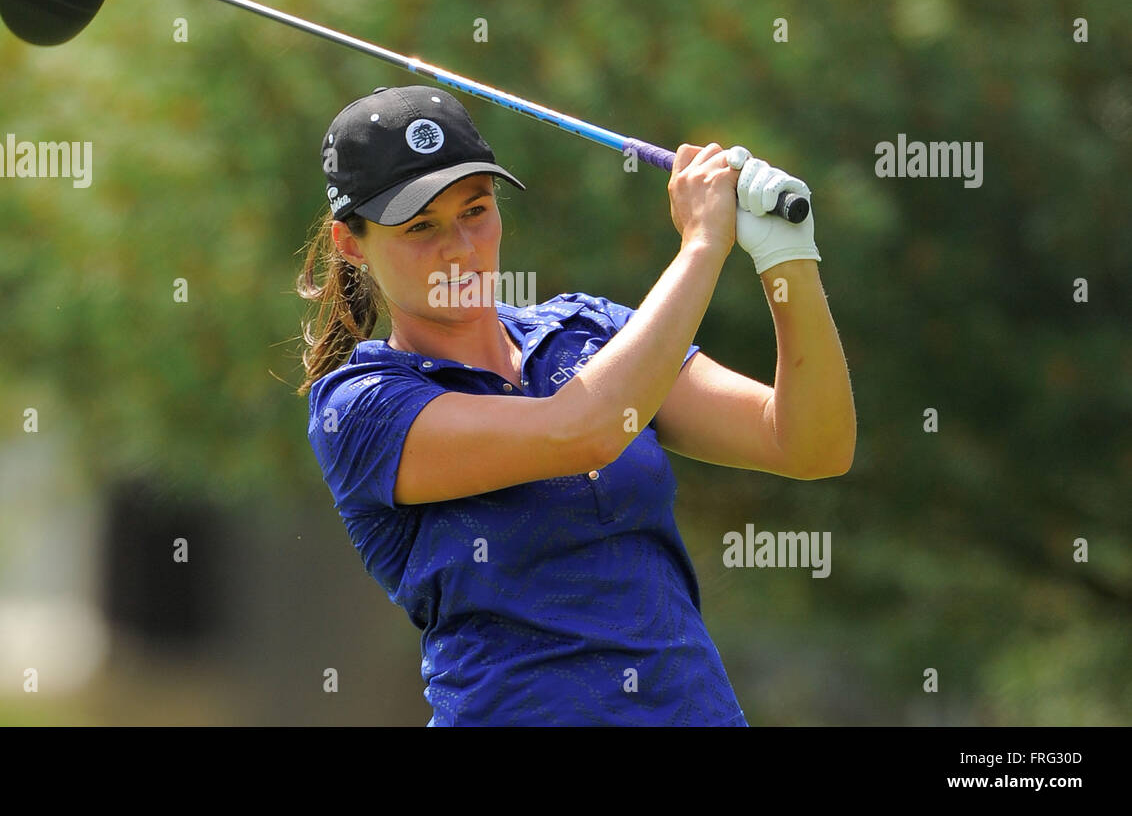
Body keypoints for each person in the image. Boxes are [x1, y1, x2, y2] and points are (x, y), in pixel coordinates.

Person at [295, 84, 855, 725]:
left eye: (475, 211)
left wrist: (787, 257)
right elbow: (581, 430)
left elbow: (810, 444)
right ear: (349, 242)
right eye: (420, 227)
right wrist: (702, 246)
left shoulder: (589, 334)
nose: (459, 247)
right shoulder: (362, 405)